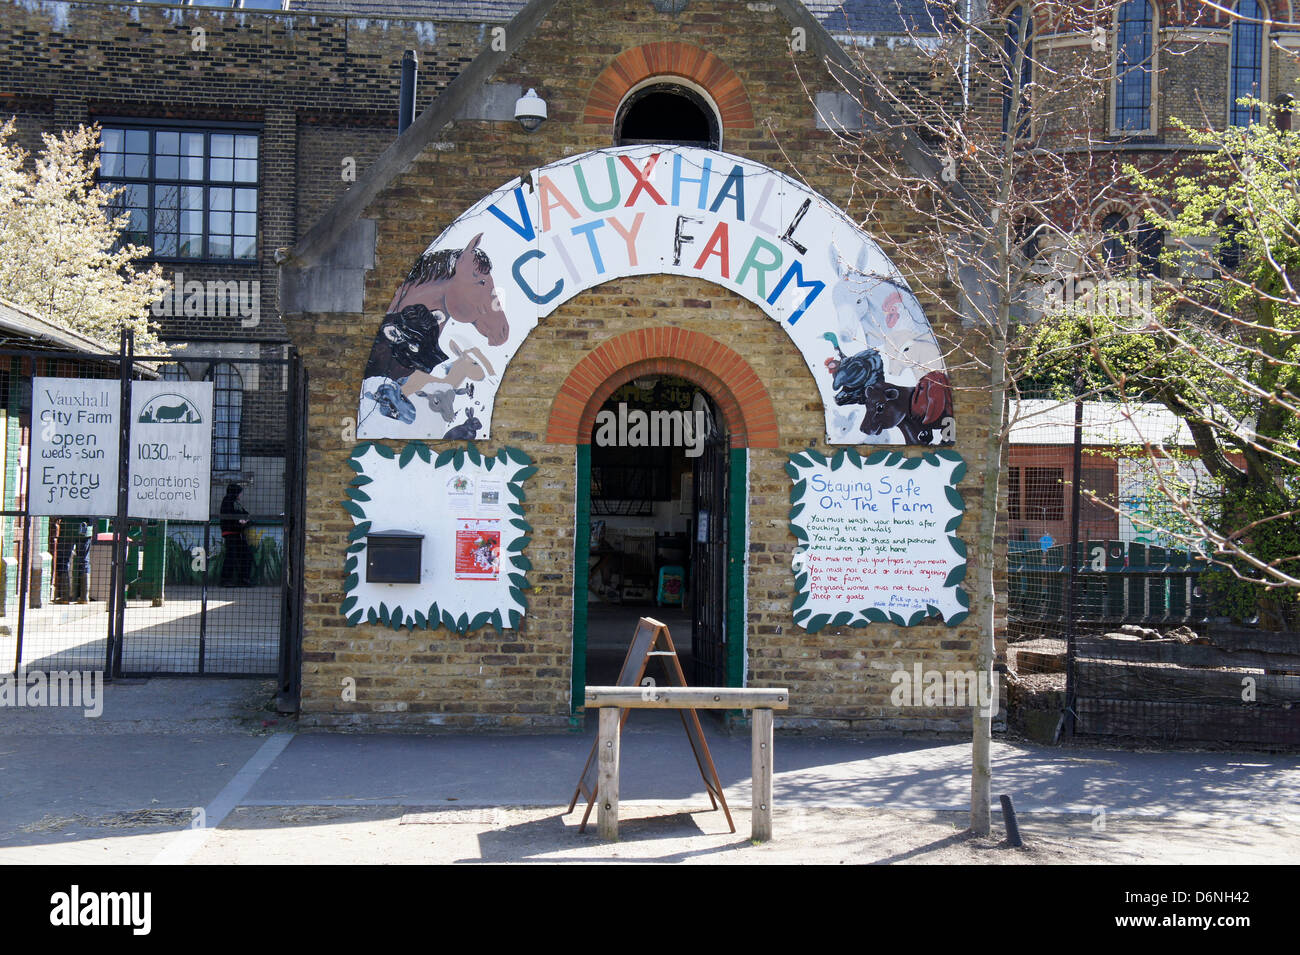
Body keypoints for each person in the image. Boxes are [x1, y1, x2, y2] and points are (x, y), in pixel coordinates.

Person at [219, 483, 254, 587]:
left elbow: (245, 513)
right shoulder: (228, 502)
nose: (240, 495)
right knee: (231, 556)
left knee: (246, 555)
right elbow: (230, 517)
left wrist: (244, 520)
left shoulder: (236, 503)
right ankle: (226, 580)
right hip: (231, 533)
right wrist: (241, 522)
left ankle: (243, 579)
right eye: (239, 493)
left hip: (238, 533)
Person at [55, 516, 94, 603]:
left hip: (67, 527)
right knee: (84, 560)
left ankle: (65, 597)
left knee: (63, 560)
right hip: (85, 528)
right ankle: (84, 597)